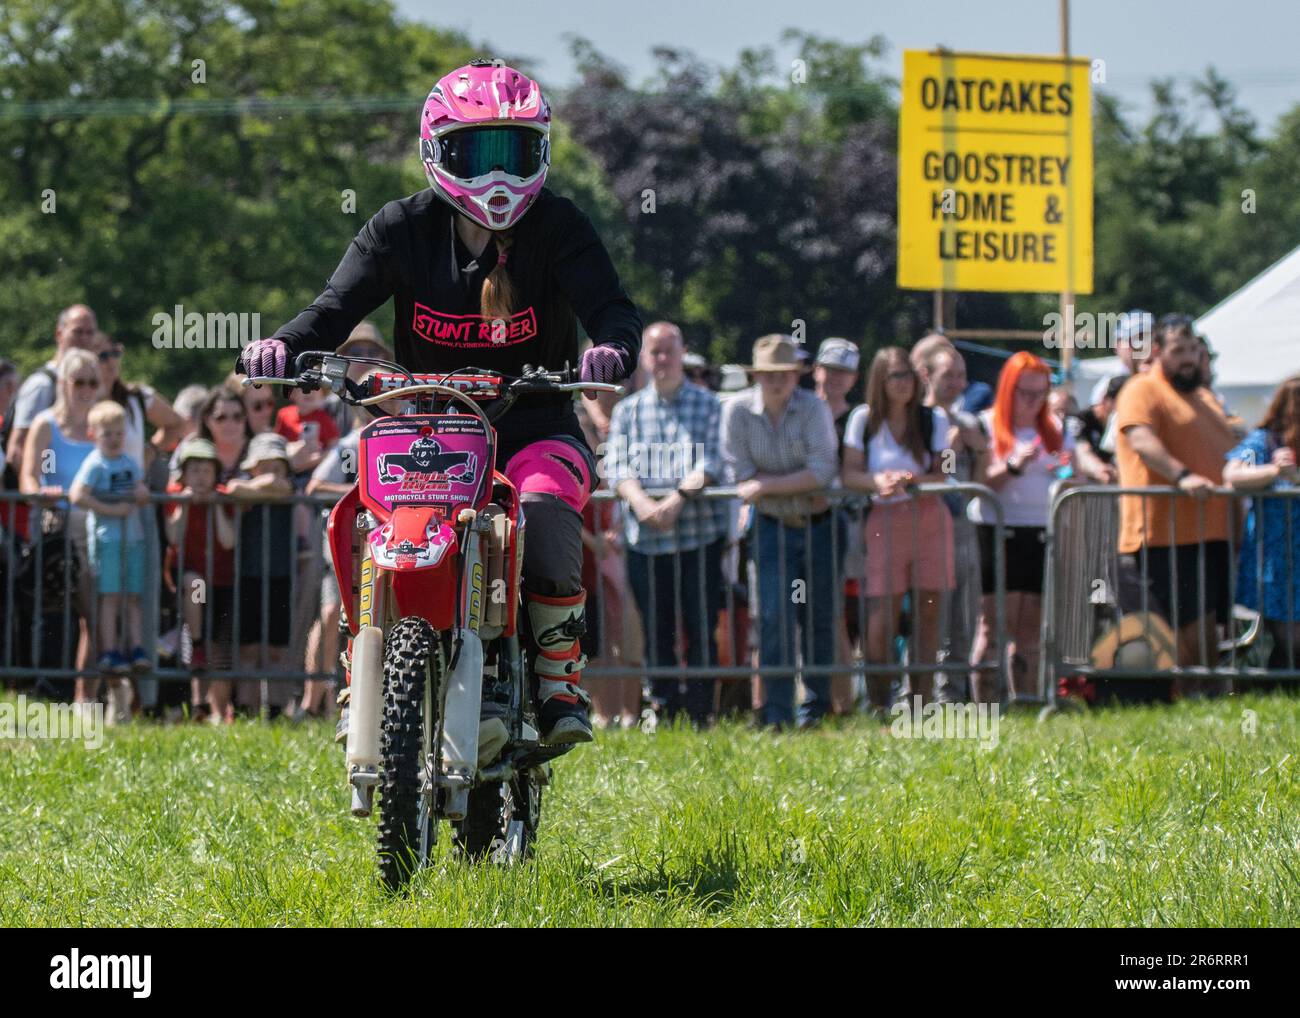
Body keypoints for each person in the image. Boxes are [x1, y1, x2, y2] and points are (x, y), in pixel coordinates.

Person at [235, 60, 640, 745]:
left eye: (512, 150)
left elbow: (613, 311)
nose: (496, 174)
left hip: (537, 425)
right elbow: (333, 310)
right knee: (373, 521)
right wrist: (280, 345)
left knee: (541, 508)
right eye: (477, 151)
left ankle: (556, 677)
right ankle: (362, 673)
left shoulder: (561, 227)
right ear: (437, 150)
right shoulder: (399, 228)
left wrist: (611, 350)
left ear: (539, 149)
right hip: (435, 430)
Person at [608, 321, 726, 726]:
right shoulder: (627, 411)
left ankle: (701, 710)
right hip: (646, 540)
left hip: (698, 537)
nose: (662, 359)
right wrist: (641, 504)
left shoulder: (710, 405)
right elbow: (617, 464)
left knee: (700, 624)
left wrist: (676, 499)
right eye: (654, 352)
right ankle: (663, 708)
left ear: (682, 354)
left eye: (669, 351)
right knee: (656, 629)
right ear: (643, 358)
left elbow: (712, 460)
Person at [721, 334, 839, 729]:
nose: (776, 381)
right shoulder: (737, 411)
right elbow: (740, 475)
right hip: (770, 529)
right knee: (772, 618)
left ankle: (817, 711)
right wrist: (792, 481)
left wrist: (767, 485)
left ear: (796, 374)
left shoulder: (814, 408)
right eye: (769, 374)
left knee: (818, 619)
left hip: (818, 527)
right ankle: (777, 714)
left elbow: (822, 472)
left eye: (784, 373)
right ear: (756, 375)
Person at [1114, 318, 1237, 690]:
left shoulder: (1204, 396)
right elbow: (1142, 441)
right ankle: (1196, 703)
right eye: (1177, 350)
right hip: (1166, 534)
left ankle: (1205, 701)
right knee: (1191, 630)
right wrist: (1183, 477)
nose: (1188, 359)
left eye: (1193, 350)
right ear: (1157, 352)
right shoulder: (1142, 389)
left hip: (1212, 530)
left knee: (1211, 626)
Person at [842, 347, 954, 708]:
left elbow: (944, 470)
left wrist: (913, 479)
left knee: (929, 608)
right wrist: (878, 481)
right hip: (884, 521)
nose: (903, 383)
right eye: (895, 376)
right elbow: (849, 474)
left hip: (929, 519)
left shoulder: (932, 419)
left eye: (908, 374)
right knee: (882, 614)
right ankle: (879, 703)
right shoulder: (864, 419)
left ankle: (920, 703)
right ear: (880, 380)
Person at [969, 352, 1075, 702]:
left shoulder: (1057, 430)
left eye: (1040, 393)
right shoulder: (984, 425)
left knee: (1031, 626)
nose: (1032, 401)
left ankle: (1026, 702)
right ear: (1008, 389)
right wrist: (1013, 465)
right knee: (994, 624)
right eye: (1024, 392)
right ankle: (985, 705)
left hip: (1041, 530)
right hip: (995, 530)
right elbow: (979, 482)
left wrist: (1066, 472)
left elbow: (1071, 474)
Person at [19, 348, 103, 704]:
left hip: (99, 531)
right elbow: (27, 477)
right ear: (64, 384)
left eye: (92, 381)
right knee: (62, 615)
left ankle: (87, 696)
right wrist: (41, 493)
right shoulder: (45, 424)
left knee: (96, 616)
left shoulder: (102, 426)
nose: (85, 388)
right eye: (78, 381)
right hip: (57, 532)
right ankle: (52, 695)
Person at [69, 400, 152, 720]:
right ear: (94, 435)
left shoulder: (129, 462)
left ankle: (134, 648)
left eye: (119, 433)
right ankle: (111, 651)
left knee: (132, 598)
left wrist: (141, 494)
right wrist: (113, 510)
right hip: (107, 542)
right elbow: (77, 495)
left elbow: (140, 489)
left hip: (132, 540)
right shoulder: (96, 463)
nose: (114, 439)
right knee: (110, 599)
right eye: (108, 434)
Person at [922, 345, 988, 702]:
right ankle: (918, 695)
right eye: (948, 374)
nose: (956, 382)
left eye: (961, 375)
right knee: (930, 617)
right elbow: (939, 477)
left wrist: (980, 451)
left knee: (963, 618)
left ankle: (955, 696)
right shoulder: (918, 420)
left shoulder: (970, 423)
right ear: (927, 375)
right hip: (925, 530)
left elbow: (977, 489)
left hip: (962, 530)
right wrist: (947, 452)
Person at [1224, 376, 1300, 676]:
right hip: (1275, 553)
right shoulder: (1265, 440)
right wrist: (1273, 471)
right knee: (1286, 629)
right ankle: (1282, 677)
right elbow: (1232, 475)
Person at [163, 436, 238, 722]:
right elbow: (173, 537)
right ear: (183, 473)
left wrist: (217, 505)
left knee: (219, 645)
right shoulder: (174, 495)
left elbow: (228, 541)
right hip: (192, 583)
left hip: (222, 580)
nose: (201, 477)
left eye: (207, 470)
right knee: (195, 589)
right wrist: (183, 504)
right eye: (194, 470)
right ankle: (197, 702)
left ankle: (217, 710)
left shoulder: (223, 495)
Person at [812, 337, 862, 714]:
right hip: (801, 519)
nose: (835, 378)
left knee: (834, 614)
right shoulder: (803, 410)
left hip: (845, 523)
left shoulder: (858, 419)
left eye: (844, 372)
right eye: (831, 369)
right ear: (817, 370)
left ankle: (843, 703)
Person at [6, 304, 99, 480]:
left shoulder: (94, 378)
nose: (84, 338)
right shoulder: (41, 384)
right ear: (59, 334)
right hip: (45, 500)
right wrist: (38, 491)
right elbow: (17, 448)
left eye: (90, 333)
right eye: (78, 332)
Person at [1069, 374, 1126, 483]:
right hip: (1085, 488)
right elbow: (1081, 452)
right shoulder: (1081, 419)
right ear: (1105, 400)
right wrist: (1100, 469)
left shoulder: (1125, 422)